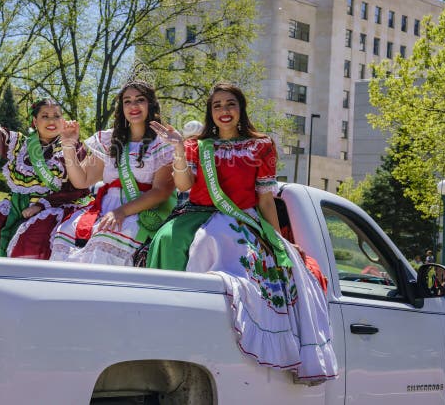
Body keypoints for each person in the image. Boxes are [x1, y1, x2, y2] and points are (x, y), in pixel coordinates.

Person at [146, 82, 337, 383]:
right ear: (210, 112)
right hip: (196, 215)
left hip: (242, 219)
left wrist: (279, 240)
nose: (224, 110)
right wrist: (179, 150)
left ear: (241, 108)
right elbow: (183, 187)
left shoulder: (260, 146)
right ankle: (166, 321)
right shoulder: (197, 146)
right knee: (167, 238)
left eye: (230, 103)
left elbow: (264, 199)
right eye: (217, 105)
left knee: (226, 247)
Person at [50, 80, 175, 266]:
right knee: (64, 234)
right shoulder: (109, 140)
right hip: (105, 208)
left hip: (140, 209)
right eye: (127, 101)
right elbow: (81, 180)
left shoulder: (163, 142)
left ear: (151, 104)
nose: (133, 106)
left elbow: (161, 191)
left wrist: (120, 212)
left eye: (140, 100)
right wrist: (68, 145)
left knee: (104, 240)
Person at [0, 70, 90, 259]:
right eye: (45, 116)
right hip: (15, 204)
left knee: (32, 239)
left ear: (63, 121)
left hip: (55, 207)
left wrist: (40, 206)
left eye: (56, 116)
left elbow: (77, 189)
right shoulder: (19, 145)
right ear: (35, 121)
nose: (51, 121)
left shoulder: (73, 148)